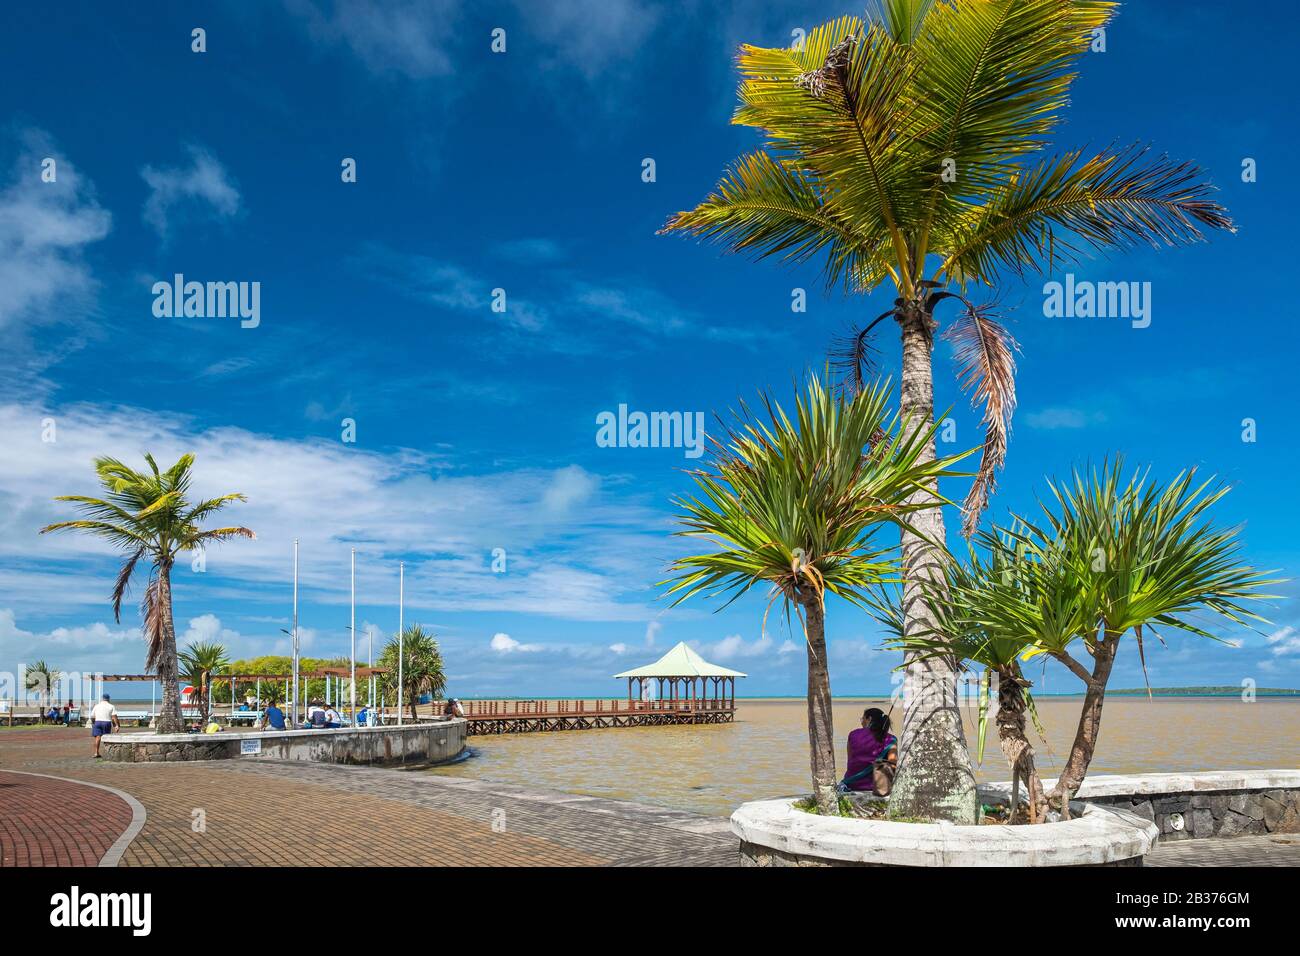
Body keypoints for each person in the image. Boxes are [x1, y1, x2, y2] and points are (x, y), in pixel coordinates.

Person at [841, 707, 897, 795]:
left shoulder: (853, 734)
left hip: (852, 784)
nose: (861, 721)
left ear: (869, 719)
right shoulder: (891, 739)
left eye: (862, 718)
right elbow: (892, 766)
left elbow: (850, 760)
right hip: (879, 787)